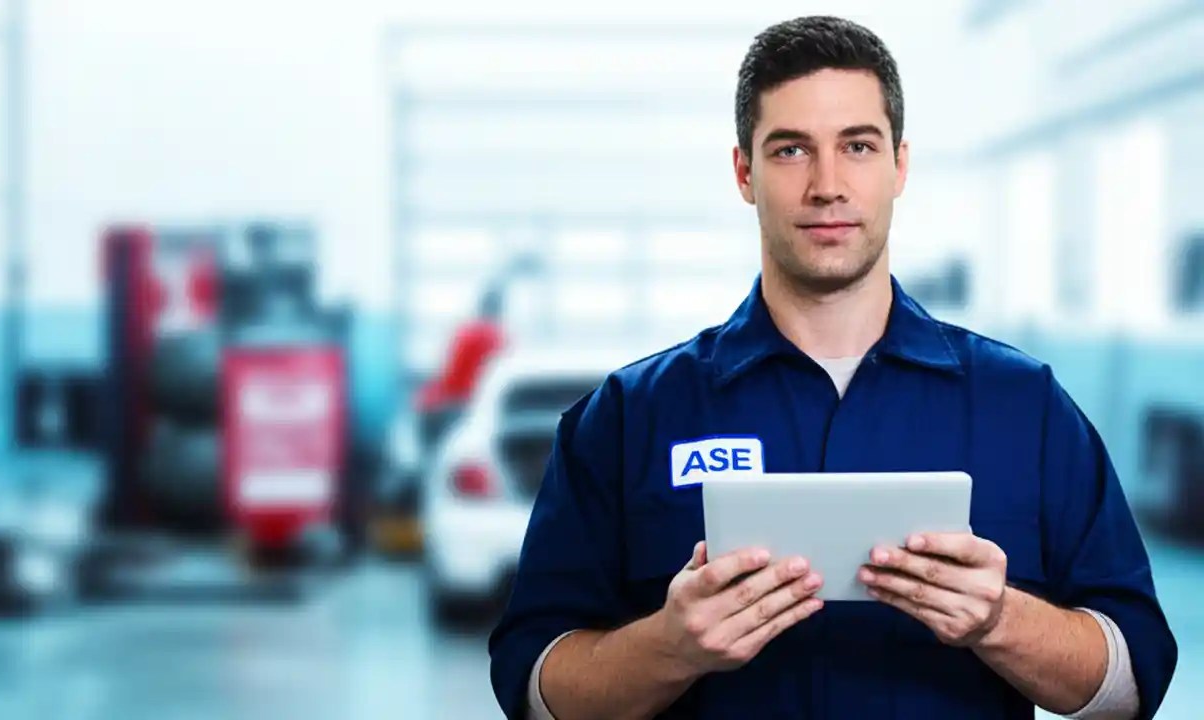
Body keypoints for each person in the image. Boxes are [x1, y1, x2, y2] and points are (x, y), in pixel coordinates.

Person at [487, 15, 1178, 720]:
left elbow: (1133, 683)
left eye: (857, 145)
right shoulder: (629, 417)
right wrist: (670, 647)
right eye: (790, 150)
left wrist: (1000, 620)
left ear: (899, 165)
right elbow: (533, 685)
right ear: (744, 172)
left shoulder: (1023, 408)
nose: (827, 184)